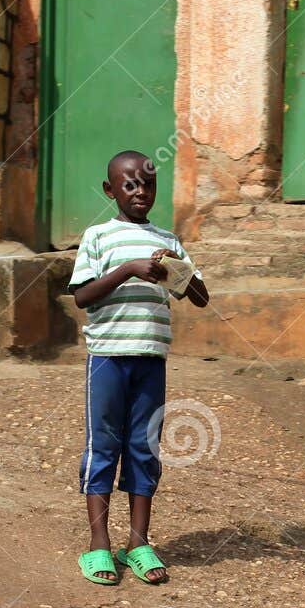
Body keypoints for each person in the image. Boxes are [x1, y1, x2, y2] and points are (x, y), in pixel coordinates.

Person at [68, 150, 209, 585]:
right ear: (110, 190)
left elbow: (200, 297)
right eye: (128, 184)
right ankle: (98, 544)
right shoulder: (97, 237)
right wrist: (128, 269)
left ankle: (139, 542)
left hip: (150, 359)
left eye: (147, 183)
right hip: (108, 357)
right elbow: (82, 297)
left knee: (144, 447)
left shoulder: (168, 239)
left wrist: (177, 269)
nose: (139, 191)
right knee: (103, 446)